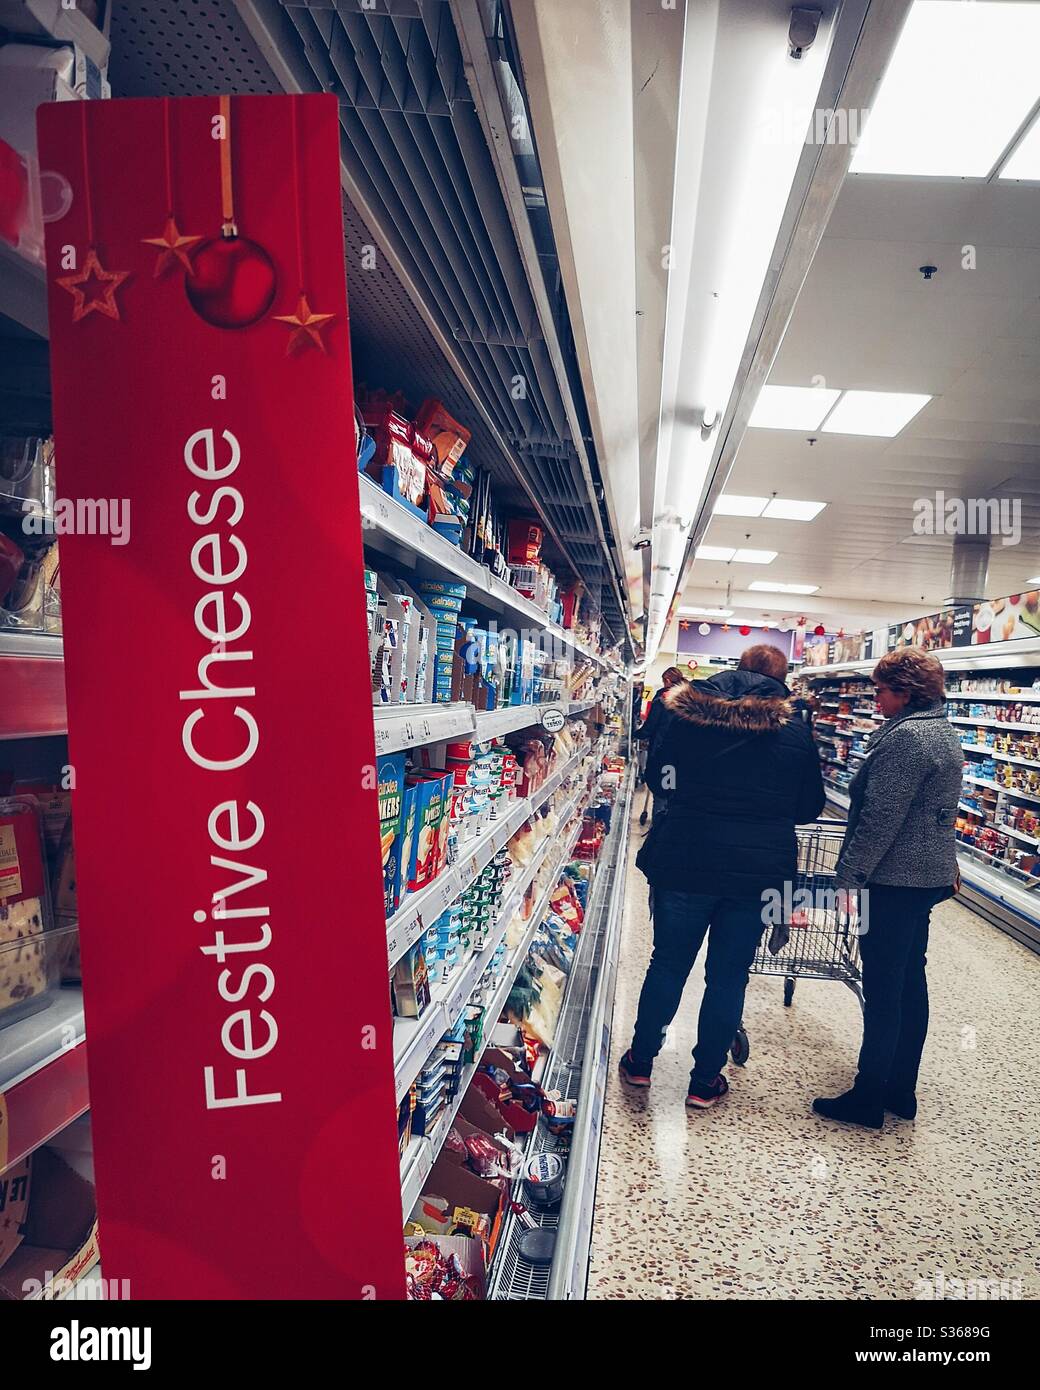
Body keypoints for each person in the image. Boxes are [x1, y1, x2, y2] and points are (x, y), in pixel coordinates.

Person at [620, 644, 825, 1108]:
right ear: (780, 679)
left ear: (737, 668)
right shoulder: (794, 729)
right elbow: (810, 805)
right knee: (729, 975)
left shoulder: (688, 713)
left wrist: (692, 795)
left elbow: (660, 777)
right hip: (757, 874)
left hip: (686, 857)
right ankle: (705, 1080)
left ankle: (641, 1062)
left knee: (668, 963)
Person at [814, 647, 962, 1129]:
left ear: (905, 692)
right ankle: (901, 1089)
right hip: (922, 877)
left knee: (882, 987)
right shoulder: (941, 731)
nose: (875, 697)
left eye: (880, 690)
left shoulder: (909, 740)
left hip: (893, 879)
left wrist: (849, 878)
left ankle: (867, 1096)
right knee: (908, 982)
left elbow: (881, 819)